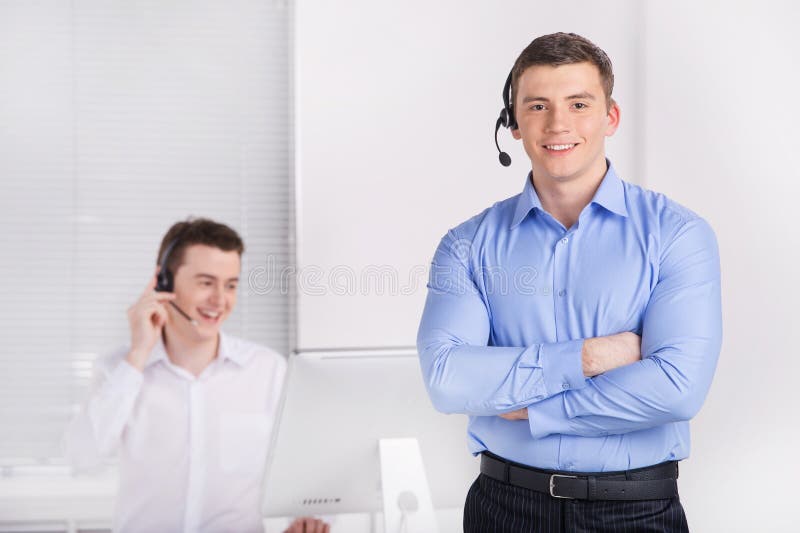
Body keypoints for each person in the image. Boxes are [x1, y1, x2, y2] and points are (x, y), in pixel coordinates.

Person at [416, 32, 722, 532]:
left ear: (610, 117)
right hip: (503, 509)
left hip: (635, 511)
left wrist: (532, 409)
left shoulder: (677, 235)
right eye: (537, 105)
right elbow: (448, 379)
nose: (558, 124)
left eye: (578, 103)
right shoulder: (466, 246)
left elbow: (676, 389)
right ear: (513, 124)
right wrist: (591, 357)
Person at [64, 218, 329, 533]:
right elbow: (83, 458)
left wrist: (301, 522)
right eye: (206, 283)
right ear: (163, 283)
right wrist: (138, 355)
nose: (220, 300)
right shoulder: (118, 369)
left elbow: (304, 473)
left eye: (230, 284)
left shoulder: (267, 371)